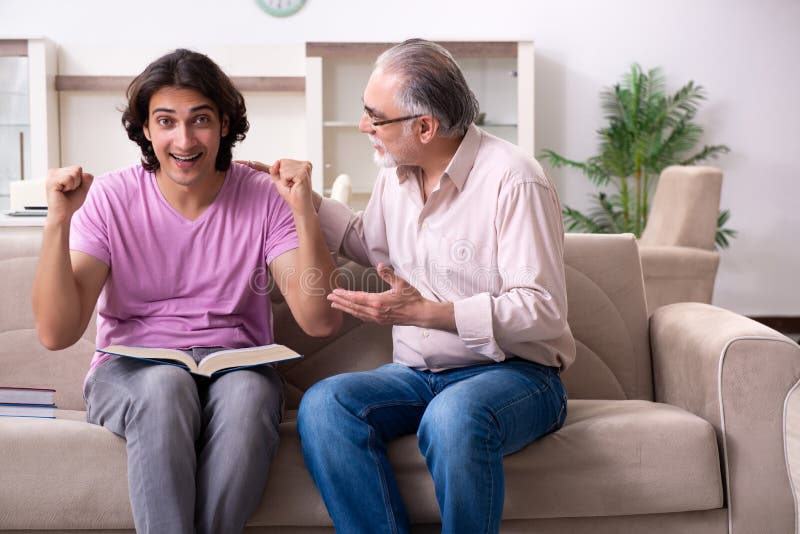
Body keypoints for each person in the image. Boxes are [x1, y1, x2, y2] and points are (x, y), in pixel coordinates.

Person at [245, 38, 576, 534]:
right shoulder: (396, 176)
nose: (364, 127)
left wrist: (428, 313)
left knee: (454, 416)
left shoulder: (514, 178)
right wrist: (305, 200)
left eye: (375, 117)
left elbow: (542, 309)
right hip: (419, 375)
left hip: (518, 376)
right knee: (325, 405)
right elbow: (367, 241)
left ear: (425, 126)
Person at [31, 49, 341, 534]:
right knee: (165, 383)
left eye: (200, 119)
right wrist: (58, 220)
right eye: (166, 121)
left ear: (223, 124)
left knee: (245, 392)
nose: (184, 139)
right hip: (131, 372)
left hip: (236, 366)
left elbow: (318, 319)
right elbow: (56, 332)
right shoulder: (112, 197)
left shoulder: (262, 195)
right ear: (146, 129)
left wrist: (303, 210)